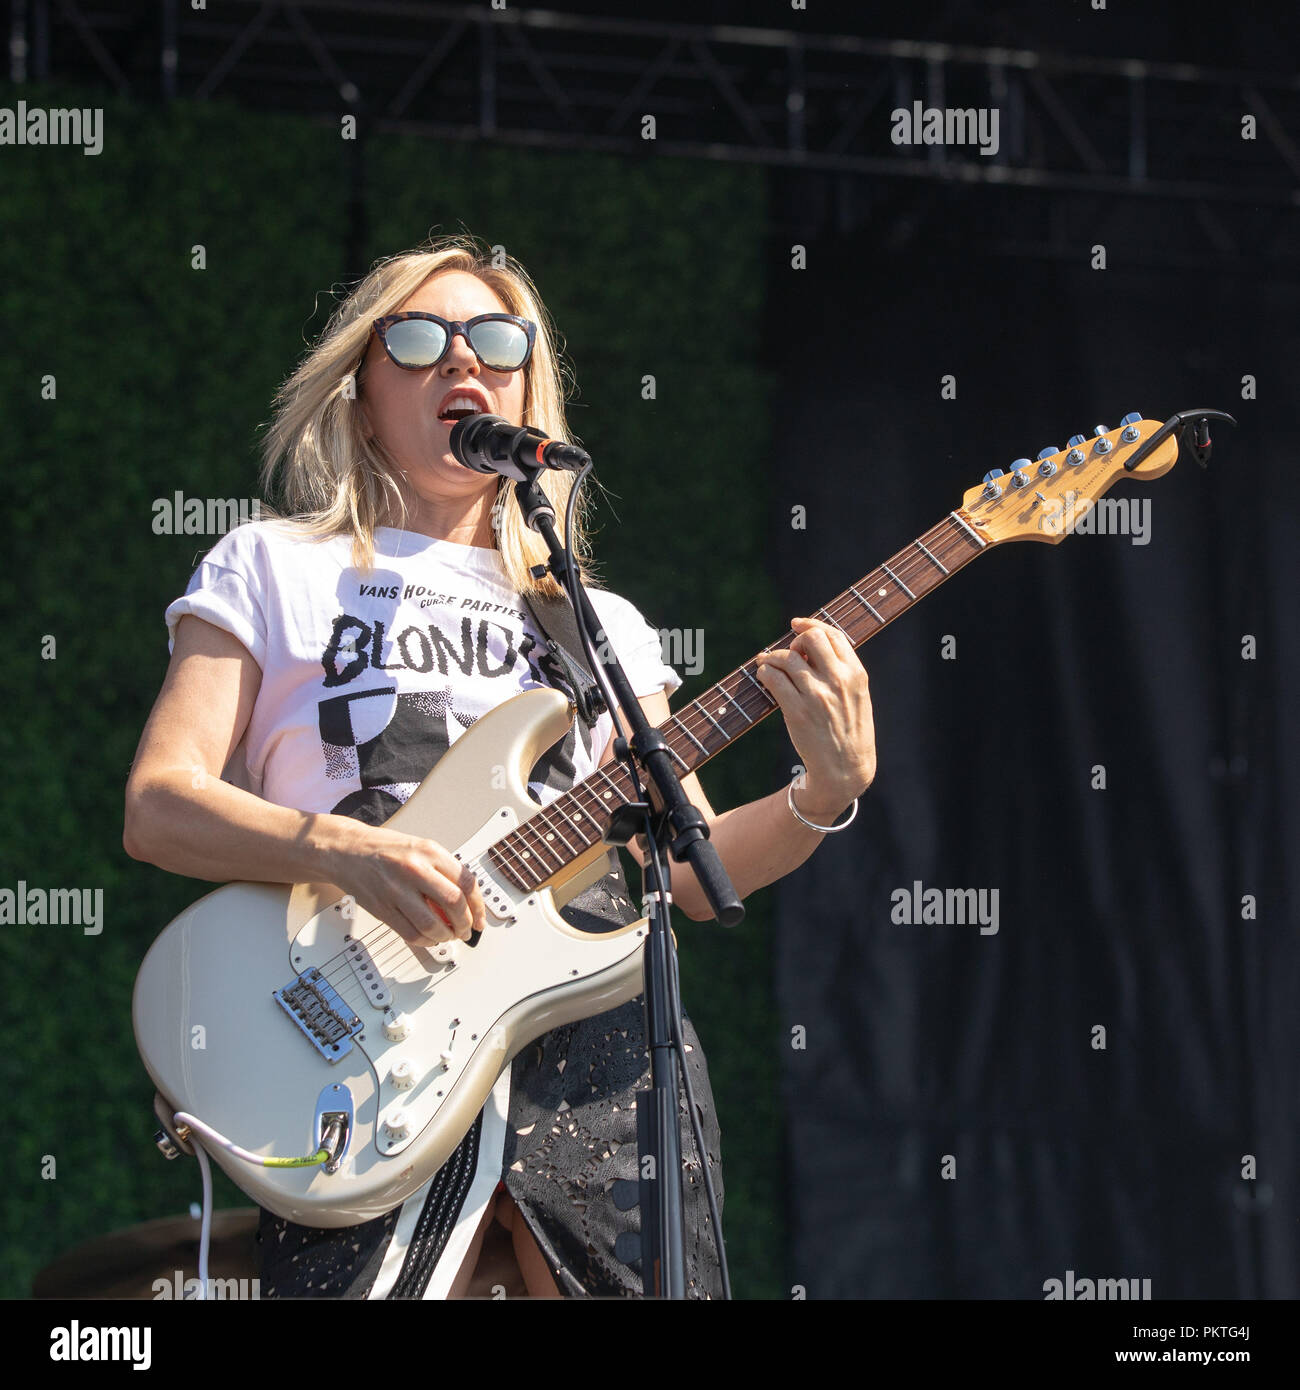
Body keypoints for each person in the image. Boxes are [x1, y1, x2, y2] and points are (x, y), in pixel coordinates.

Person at [123, 234, 877, 1299]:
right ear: (360, 391)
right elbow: (159, 807)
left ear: (532, 390)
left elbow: (703, 871)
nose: (462, 364)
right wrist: (346, 853)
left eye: (495, 341)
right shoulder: (271, 566)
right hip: (362, 1039)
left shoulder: (595, 621)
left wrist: (824, 794)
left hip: (592, 1054)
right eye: (420, 339)